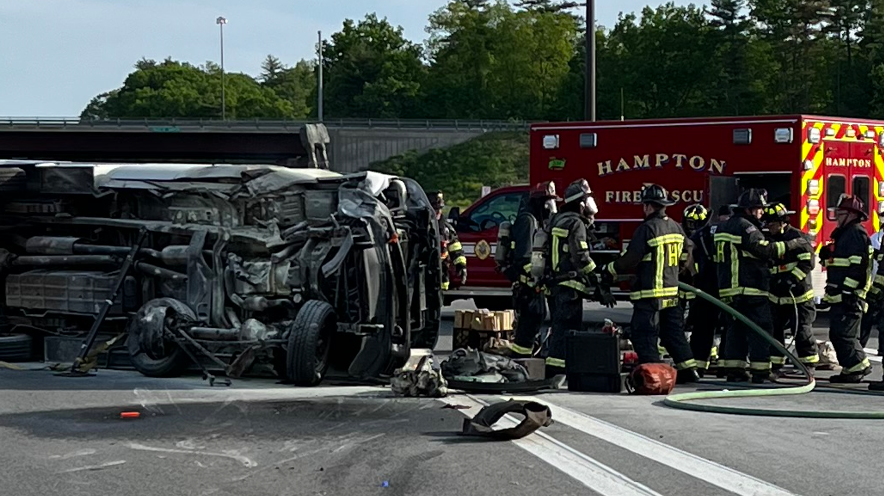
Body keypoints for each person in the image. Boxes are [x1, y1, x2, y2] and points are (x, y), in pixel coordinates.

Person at [602, 184, 699, 383]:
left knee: (644, 335)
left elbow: (631, 259)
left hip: (650, 295)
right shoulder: (676, 227)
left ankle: (654, 375)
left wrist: (609, 269)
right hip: (672, 294)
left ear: (648, 206)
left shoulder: (647, 229)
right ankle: (689, 371)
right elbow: (686, 255)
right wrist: (674, 273)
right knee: (673, 334)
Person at [714, 189, 808, 383]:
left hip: (728, 289)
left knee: (735, 329)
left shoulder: (723, 226)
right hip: (749, 288)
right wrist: (792, 244)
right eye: (759, 209)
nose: (762, 213)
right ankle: (761, 371)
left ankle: (735, 370)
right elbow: (766, 250)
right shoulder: (746, 227)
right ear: (749, 210)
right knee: (761, 329)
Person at [545, 178, 615, 377]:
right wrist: (597, 280)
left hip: (555, 283)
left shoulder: (558, 219)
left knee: (559, 327)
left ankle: (556, 369)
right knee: (567, 330)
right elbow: (581, 256)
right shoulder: (576, 223)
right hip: (569, 286)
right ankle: (557, 371)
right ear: (581, 204)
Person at [762, 203, 819, 375]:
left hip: (799, 295)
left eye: (772, 223)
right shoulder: (769, 239)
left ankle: (808, 364)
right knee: (775, 331)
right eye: (767, 223)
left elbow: (807, 263)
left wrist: (791, 279)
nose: (769, 227)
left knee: (801, 330)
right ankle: (776, 364)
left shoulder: (798, 238)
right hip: (776, 296)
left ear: (782, 222)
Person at [821, 195, 873, 383]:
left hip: (851, 297)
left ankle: (859, 366)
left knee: (844, 335)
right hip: (841, 295)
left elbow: (858, 267)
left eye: (840, 213)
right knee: (838, 334)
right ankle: (851, 368)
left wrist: (848, 292)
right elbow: (839, 264)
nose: (837, 216)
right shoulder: (844, 234)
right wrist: (827, 257)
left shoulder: (856, 234)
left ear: (852, 214)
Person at [506, 181, 559, 358]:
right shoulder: (528, 221)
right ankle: (520, 359)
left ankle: (525, 357)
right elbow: (524, 256)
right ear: (539, 202)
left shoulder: (536, 220)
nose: (550, 207)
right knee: (531, 319)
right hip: (528, 283)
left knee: (536, 317)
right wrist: (536, 275)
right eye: (548, 202)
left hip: (534, 282)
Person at [430, 191, 467, 291]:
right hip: (424, 277)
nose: (438, 212)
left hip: (442, 278)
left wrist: (461, 266)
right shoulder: (420, 228)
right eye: (435, 209)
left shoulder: (446, 229)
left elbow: (455, 248)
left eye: (439, 209)